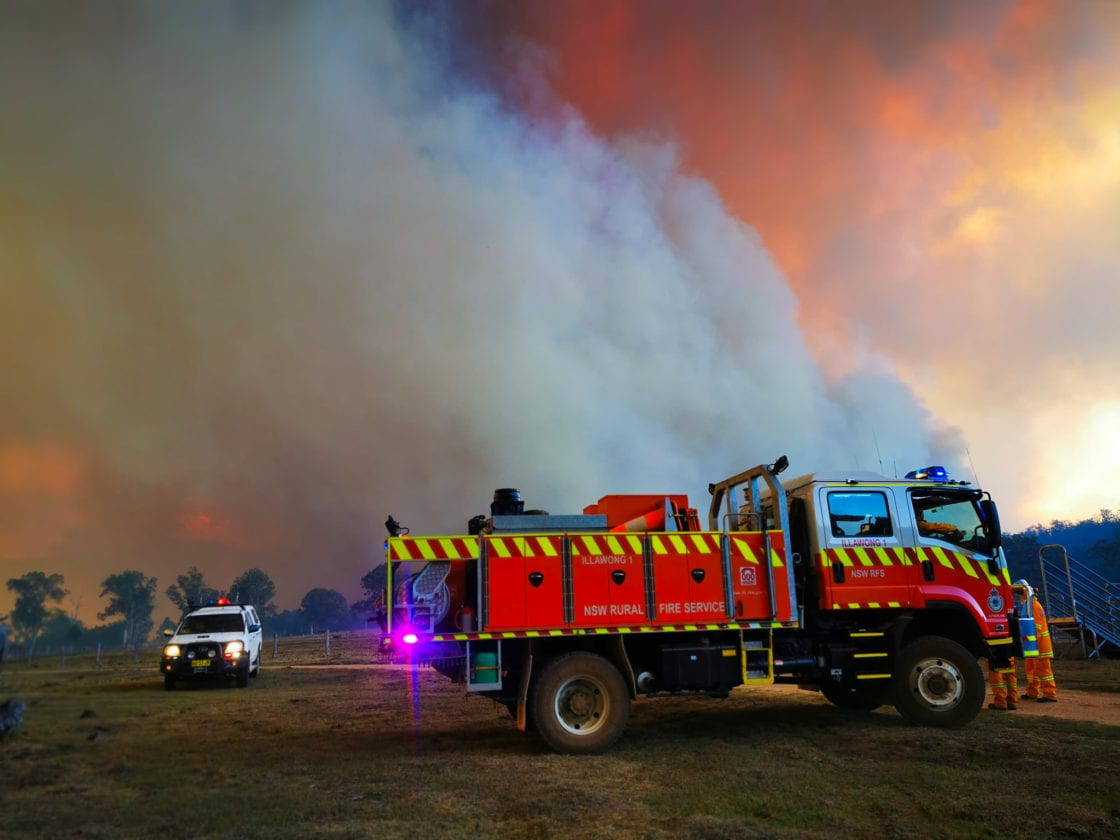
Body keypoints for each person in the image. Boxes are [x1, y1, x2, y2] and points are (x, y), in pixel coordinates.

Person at [1014, 580, 1058, 702]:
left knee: (1044, 671)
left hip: (1040, 646)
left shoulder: (1035, 606)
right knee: (1032, 670)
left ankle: (1050, 694)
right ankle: (1032, 692)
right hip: (1032, 646)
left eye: (1020, 593)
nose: (1019, 596)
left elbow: (1036, 628)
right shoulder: (1028, 606)